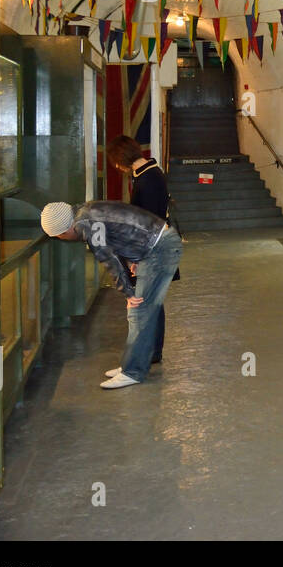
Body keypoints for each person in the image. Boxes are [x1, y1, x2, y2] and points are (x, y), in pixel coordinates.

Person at [39, 200, 182, 389]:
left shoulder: (86, 224)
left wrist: (127, 292)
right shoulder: (86, 211)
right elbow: (121, 233)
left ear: (63, 232)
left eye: (58, 237)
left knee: (138, 309)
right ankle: (146, 356)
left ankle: (133, 371)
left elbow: (108, 257)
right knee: (150, 304)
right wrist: (135, 256)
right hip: (158, 243)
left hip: (159, 248)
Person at [106, 136, 179, 366]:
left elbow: (146, 225)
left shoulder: (146, 181)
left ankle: (147, 353)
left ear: (122, 159)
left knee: (145, 304)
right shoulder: (150, 173)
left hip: (153, 250)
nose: (117, 168)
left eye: (116, 162)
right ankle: (153, 351)